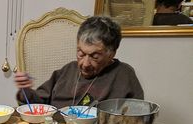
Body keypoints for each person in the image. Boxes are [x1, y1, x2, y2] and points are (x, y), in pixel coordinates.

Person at [14, 16, 144, 110]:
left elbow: (135, 119)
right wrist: (25, 90)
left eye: (95, 56)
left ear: (111, 54)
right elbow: (37, 105)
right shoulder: (67, 70)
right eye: (81, 53)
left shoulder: (124, 75)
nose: (85, 63)